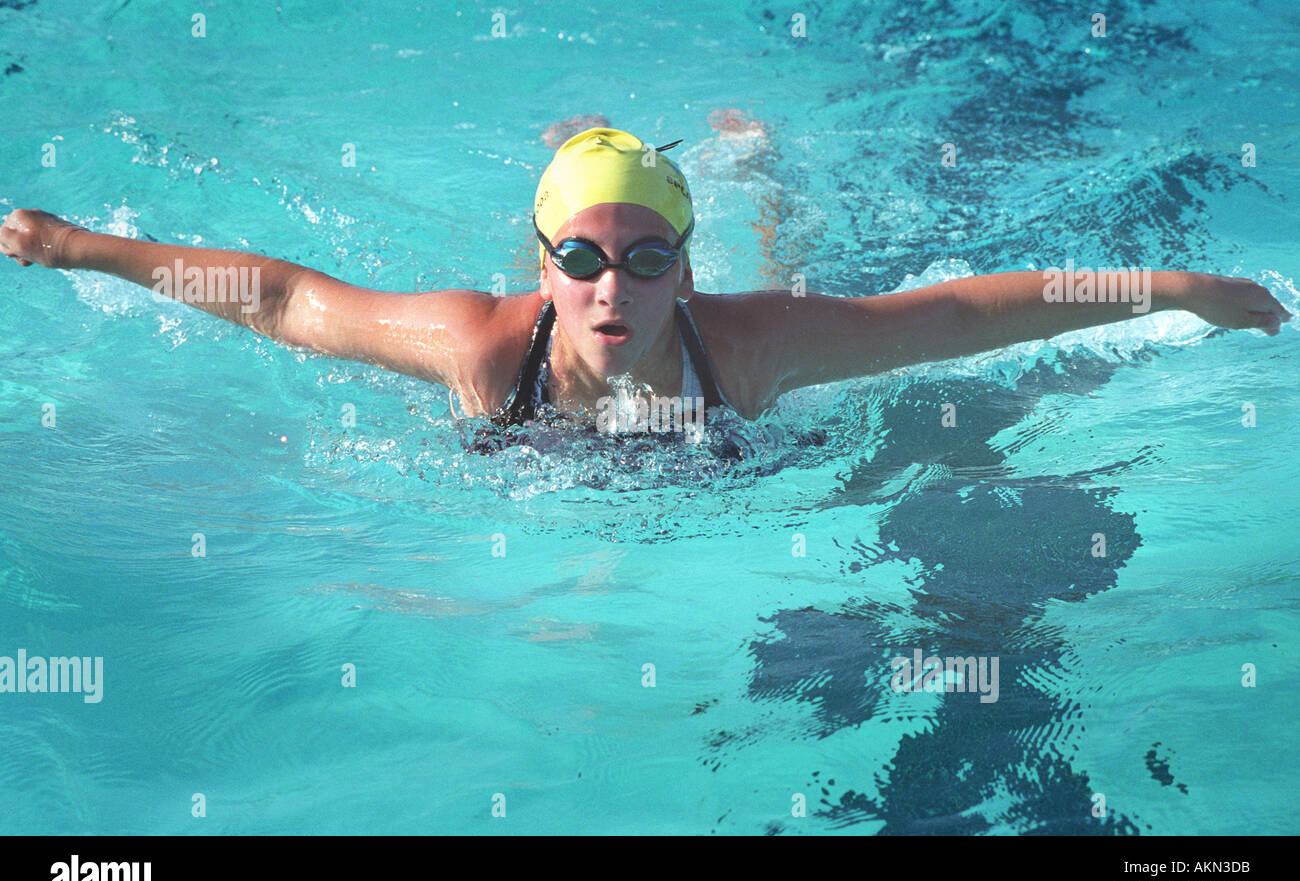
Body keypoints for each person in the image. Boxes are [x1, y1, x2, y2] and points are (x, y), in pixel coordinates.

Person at [2, 126, 1291, 448]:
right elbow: (284, 300)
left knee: (809, 286)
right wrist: (82, 249)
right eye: (580, 258)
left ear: (685, 267)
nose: (612, 287)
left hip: (747, 350)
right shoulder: (475, 347)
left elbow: (966, 313)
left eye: (647, 258)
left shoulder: (757, 345)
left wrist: (1172, 284)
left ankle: (756, 178)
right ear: (542, 268)